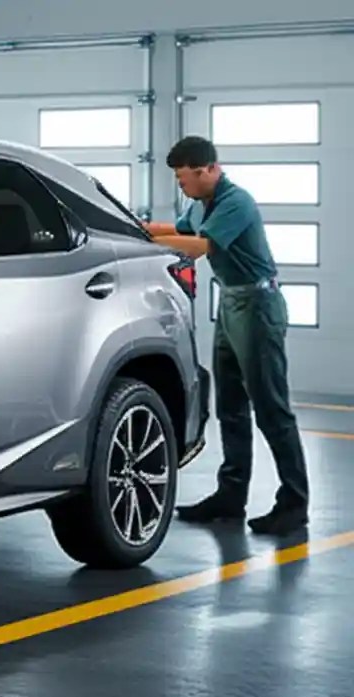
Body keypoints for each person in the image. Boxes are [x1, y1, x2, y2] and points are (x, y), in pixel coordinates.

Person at [143, 135, 309, 536]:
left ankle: (294, 503)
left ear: (207, 170)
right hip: (231, 304)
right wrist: (139, 228)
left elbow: (200, 246)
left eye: (184, 180)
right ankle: (230, 497)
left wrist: (146, 243)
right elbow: (179, 228)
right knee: (230, 406)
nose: (181, 187)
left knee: (271, 407)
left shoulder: (237, 202)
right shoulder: (201, 203)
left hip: (258, 307)